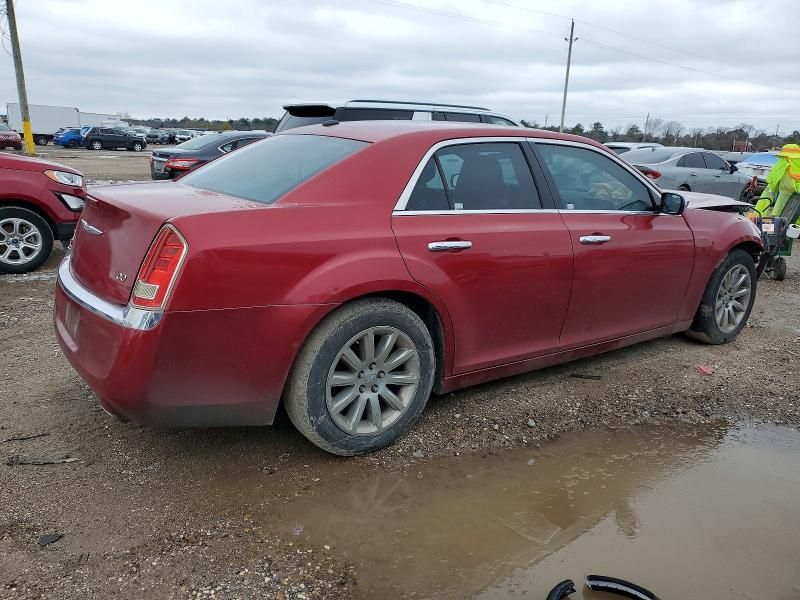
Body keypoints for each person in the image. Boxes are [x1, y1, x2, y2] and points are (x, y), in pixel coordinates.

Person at [753, 143, 800, 223]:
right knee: (776, 224)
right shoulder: (780, 169)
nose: (786, 161)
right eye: (784, 158)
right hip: (783, 204)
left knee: (785, 226)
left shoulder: (780, 168)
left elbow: (768, 193)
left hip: (793, 207)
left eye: (787, 158)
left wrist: (757, 216)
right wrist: (757, 217)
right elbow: (768, 192)